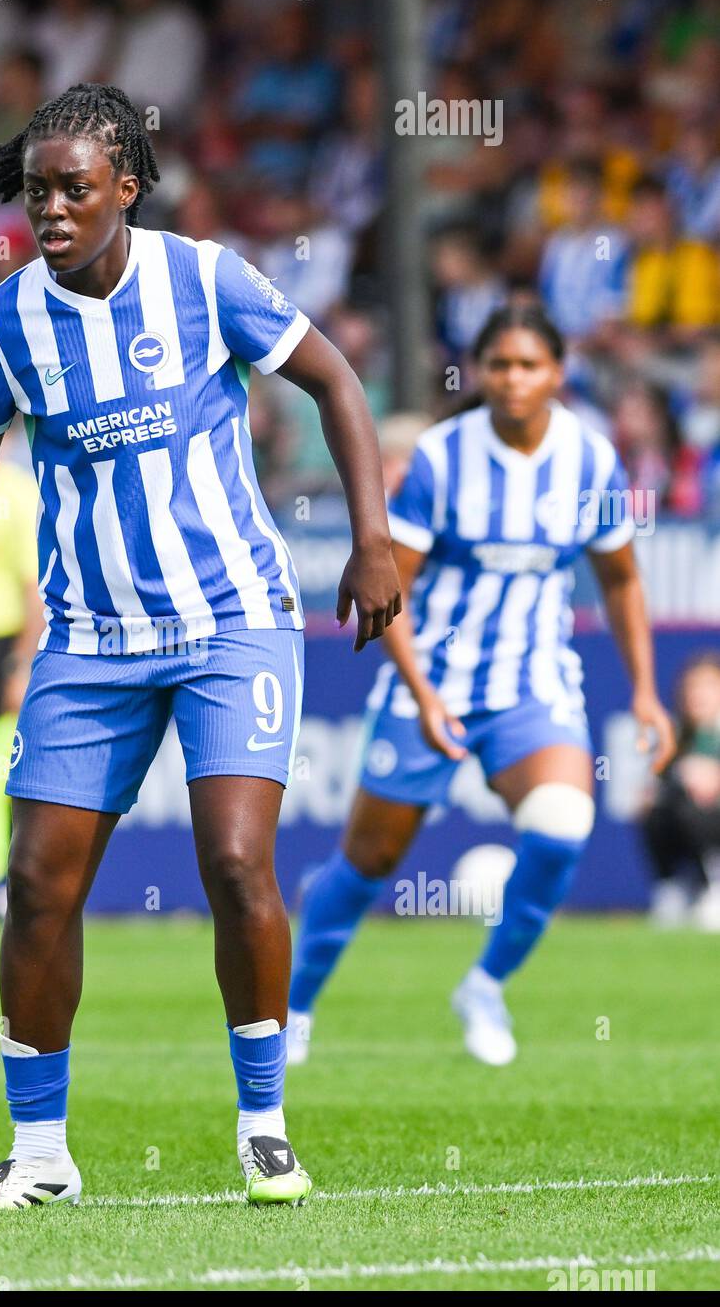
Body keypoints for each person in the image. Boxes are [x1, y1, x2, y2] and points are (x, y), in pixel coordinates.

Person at [0, 82, 399, 1208]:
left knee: (235, 862)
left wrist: (372, 539)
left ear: (126, 186)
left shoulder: (208, 280)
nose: (52, 209)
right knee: (37, 882)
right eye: (37, 192)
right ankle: (41, 1155)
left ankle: (264, 1127)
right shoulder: (5, 322)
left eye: (74, 189)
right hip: (89, 637)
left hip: (232, 617)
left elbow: (334, 380)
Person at [288, 303, 677, 1068]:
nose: (513, 379)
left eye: (529, 365)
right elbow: (390, 590)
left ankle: (485, 984)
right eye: (499, 364)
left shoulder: (592, 460)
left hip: (533, 685)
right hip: (431, 683)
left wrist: (645, 691)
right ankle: (292, 1010)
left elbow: (622, 581)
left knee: (562, 826)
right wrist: (424, 693)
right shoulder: (441, 459)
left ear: (557, 373)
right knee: (367, 862)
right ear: (481, 372)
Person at [642, 653, 720, 931]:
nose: (697, 695)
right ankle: (673, 886)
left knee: (695, 811)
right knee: (658, 812)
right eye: (692, 687)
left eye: (707, 687)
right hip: (686, 819)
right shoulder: (675, 736)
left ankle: (715, 884)